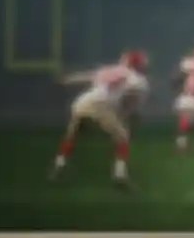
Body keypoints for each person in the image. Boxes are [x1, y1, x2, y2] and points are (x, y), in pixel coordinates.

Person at [51, 49, 150, 188]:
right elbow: (131, 98)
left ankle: (59, 165)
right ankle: (119, 175)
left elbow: (87, 76)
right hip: (101, 105)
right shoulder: (137, 79)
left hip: (82, 103)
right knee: (123, 137)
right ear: (137, 64)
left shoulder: (110, 70)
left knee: (72, 135)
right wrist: (126, 114)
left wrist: (66, 79)